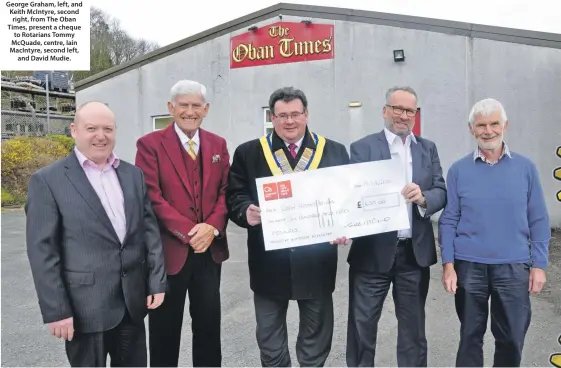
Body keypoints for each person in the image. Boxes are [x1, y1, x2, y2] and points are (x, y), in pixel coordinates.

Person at [25, 101, 167, 367]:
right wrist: (57, 311)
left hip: (132, 304)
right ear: (74, 130)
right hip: (84, 309)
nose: (101, 136)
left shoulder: (133, 175)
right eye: (91, 128)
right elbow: (42, 252)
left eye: (108, 129)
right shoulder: (47, 181)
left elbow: (149, 232)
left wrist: (157, 281)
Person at [226, 86, 349, 367]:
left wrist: (344, 225)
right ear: (272, 117)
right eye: (282, 116)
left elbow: (345, 199)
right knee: (270, 339)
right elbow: (234, 194)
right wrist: (246, 211)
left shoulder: (333, 151)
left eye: (295, 114)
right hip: (269, 263)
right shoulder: (249, 152)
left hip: (316, 262)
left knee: (316, 335)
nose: (289, 121)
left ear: (306, 114)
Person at [438, 98, 550, 367]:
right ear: (471, 129)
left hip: (513, 267)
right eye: (481, 125)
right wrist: (449, 265)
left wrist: (540, 265)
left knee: (511, 337)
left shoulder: (526, 169)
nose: (488, 131)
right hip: (469, 267)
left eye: (494, 124)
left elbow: (539, 219)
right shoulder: (458, 171)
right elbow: (448, 220)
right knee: (470, 337)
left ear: (505, 125)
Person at [342, 86, 447, 367]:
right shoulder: (363, 148)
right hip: (372, 252)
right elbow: (351, 196)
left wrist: (424, 197)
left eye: (409, 110)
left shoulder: (428, 148)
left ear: (415, 114)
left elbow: (440, 189)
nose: (403, 115)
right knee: (362, 327)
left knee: (413, 331)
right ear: (385, 111)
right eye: (397, 109)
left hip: (413, 255)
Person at [135, 80, 230, 367]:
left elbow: (227, 192)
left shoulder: (218, 144)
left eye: (196, 106)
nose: (190, 111)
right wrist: (191, 232)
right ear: (170, 108)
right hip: (169, 254)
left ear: (206, 109)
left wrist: (211, 227)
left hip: (209, 253)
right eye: (183, 105)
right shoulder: (149, 145)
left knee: (209, 329)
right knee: (164, 331)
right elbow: (151, 196)